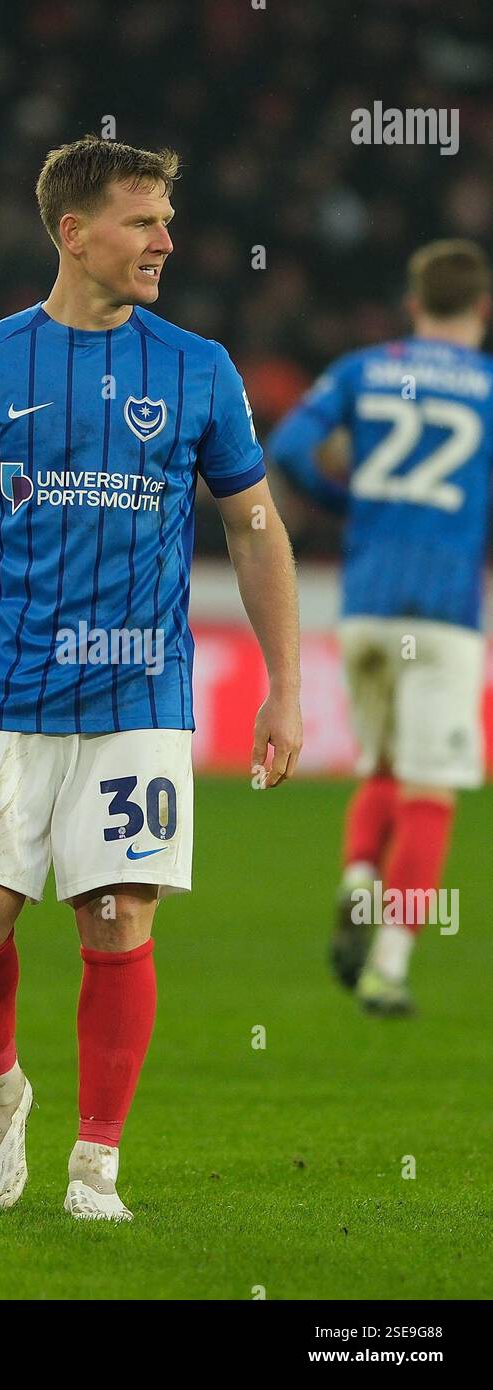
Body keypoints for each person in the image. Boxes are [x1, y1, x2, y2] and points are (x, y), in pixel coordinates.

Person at [0, 134, 302, 1221]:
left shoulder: (198, 367)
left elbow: (255, 531)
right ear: (73, 233)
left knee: (117, 915)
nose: (165, 238)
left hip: (140, 697)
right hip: (2, 693)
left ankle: (95, 1166)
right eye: (141, 219)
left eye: (167, 218)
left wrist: (285, 683)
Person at [268, 239, 493, 1016]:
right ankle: (388, 969)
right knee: (432, 791)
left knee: (383, 767)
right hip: (445, 613)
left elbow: (290, 448)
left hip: (365, 606)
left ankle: (360, 878)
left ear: (413, 304)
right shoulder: (489, 389)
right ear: (483, 308)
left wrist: (350, 505)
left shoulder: (365, 369)